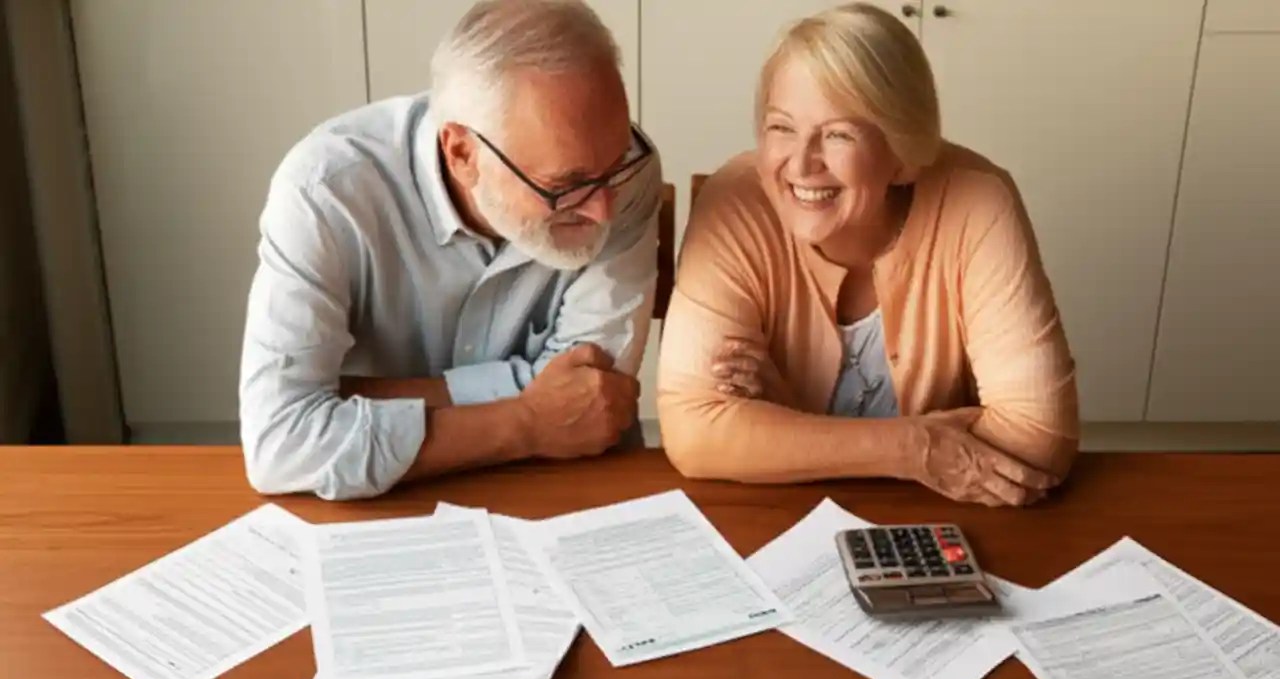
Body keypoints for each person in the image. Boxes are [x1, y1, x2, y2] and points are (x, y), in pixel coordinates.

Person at [657, 2, 1078, 507]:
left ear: (901, 152)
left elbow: (1040, 439)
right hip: (781, 516)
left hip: (937, 523)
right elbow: (693, 433)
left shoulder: (978, 202)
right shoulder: (733, 204)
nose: (801, 163)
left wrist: (777, 425)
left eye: (838, 134)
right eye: (781, 127)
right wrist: (914, 447)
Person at [239, 0, 661, 500]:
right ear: (462, 153)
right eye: (564, 187)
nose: (603, 211)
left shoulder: (624, 173)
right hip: (391, 508)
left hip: (572, 486)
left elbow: (592, 395)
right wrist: (525, 422)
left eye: (613, 168)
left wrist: (357, 400)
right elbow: (282, 443)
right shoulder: (327, 191)